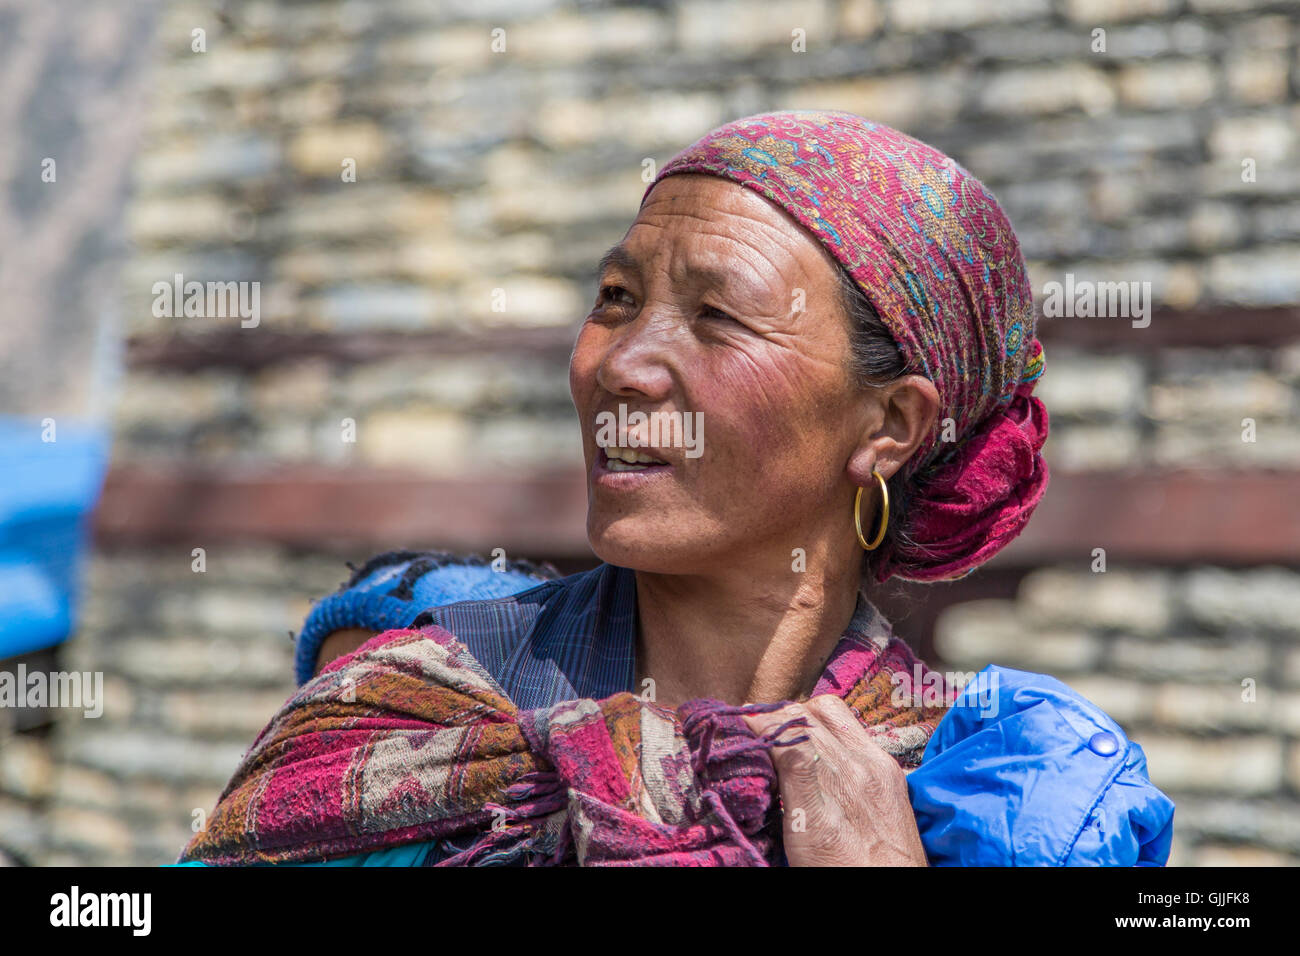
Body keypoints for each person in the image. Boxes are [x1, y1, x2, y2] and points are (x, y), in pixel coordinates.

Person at [177, 111, 1174, 867]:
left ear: (886, 426)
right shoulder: (409, 719)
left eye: (715, 315)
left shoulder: (984, 789)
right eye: (616, 299)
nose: (623, 364)